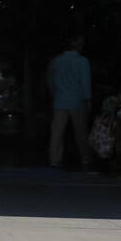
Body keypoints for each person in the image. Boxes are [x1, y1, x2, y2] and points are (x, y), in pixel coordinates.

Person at [46, 34, 93, 169]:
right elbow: (85, 83)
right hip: (77, 101)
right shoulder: (82, 61)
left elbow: (50, 80)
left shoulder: (56, 61)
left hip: (60, 101)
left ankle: (54, 160)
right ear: (79, 45)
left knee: (57, 133)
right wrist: (88, 100)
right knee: (81, 132)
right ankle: (86, 159)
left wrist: (54, 95)